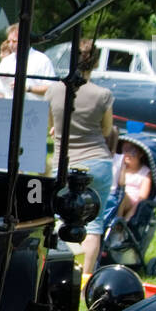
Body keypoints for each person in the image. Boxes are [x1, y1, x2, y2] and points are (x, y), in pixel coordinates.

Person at [44, 39, 116, 283]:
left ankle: (57, 270)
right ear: (94, 63)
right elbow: (106, 131)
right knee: (94, 223)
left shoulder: (53, 91)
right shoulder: (103, 94)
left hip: (63, 163)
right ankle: (86, 276)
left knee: (58, 217)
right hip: (97, 162)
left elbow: (49, 127)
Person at [0, 23, 56, 100]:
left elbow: (51, 89)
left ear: (25, 40)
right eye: (9, 41)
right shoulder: (5, 62)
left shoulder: (42, 60)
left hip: (34, 109)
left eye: (14, 41)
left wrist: (27, 88)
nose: (11, 45)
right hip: (7, 109)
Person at [116, 140, 152, 220]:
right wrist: (122, 169)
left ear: (140, 154)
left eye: (132, 151)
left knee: (122, 196)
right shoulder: (120, 167)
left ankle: (118, 221)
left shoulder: (145, 172)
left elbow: (142, 198)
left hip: (131, 201)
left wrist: (130, 213)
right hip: (117, 195)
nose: (127, 154)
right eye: (125, 150)